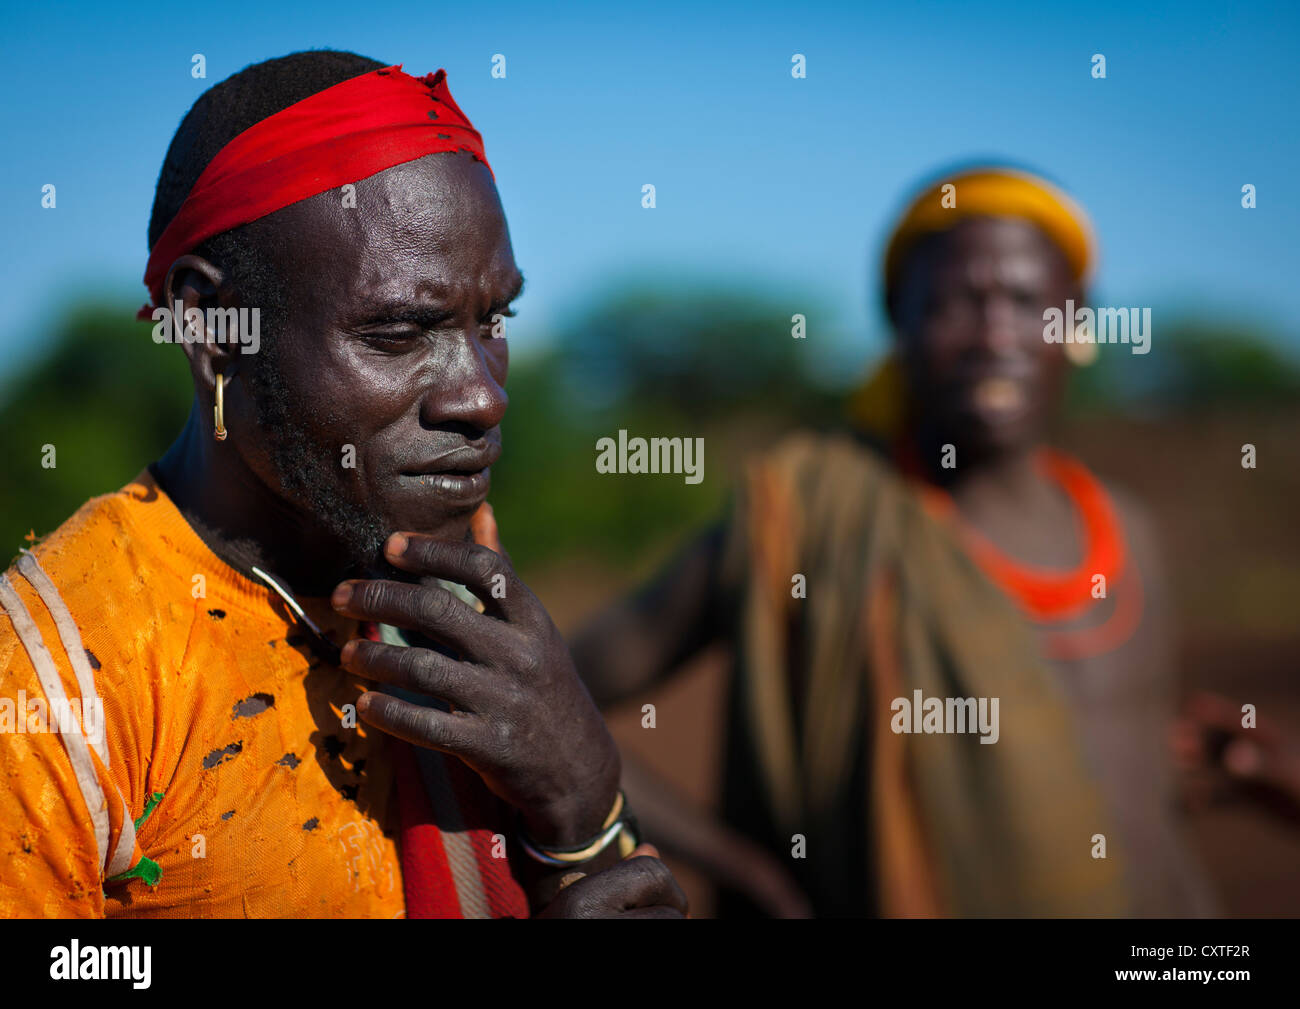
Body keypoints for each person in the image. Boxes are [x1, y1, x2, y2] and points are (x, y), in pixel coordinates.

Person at [0, 50, 686, 920]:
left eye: (493, 320)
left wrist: (584, 818)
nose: (483, 393)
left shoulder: (449, 570)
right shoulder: (59, 683)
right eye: (403, 329)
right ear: (214, 328)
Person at [574, 166, 1216, 917]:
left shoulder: (1130, 532)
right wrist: (738, 864)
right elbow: (562, 693)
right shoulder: (813, 516)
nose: (993, 334)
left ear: (1076, 322)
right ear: (895, 319)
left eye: (1025, 301)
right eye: (951, 304)